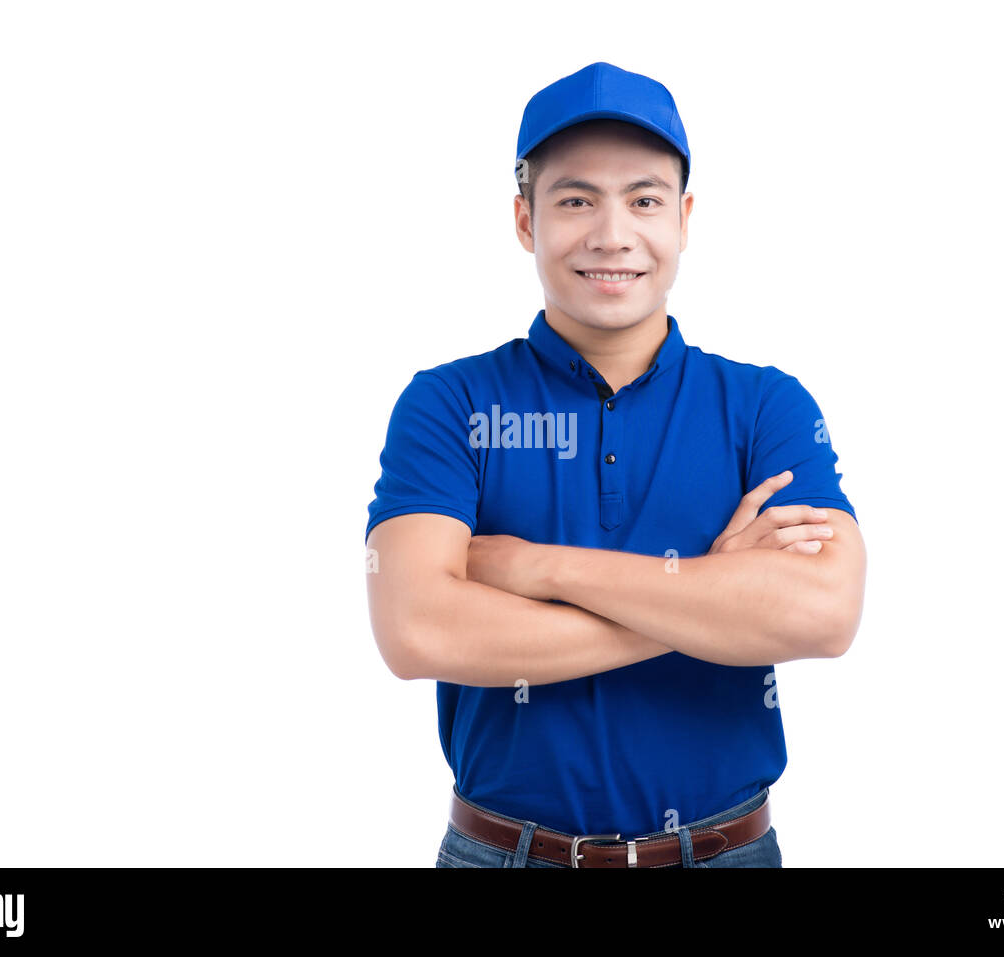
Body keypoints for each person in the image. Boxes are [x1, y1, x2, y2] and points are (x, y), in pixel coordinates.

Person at [364, 61, 866, 868]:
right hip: (505, 854)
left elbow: (824, 614)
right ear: (525, 220)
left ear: (684, 218)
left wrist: (532, 567)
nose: (611, 234)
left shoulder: (765, 406)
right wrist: (710, 601)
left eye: (643, 199)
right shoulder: (448, 403)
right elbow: (417, 627)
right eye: (574, 200)